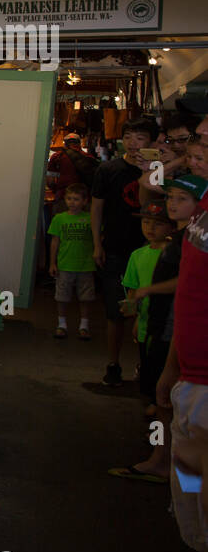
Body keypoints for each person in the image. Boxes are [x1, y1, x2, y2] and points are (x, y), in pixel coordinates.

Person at [110, 175, 207, 483]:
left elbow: (188, 283)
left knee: (165, 402)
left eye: (183, 199)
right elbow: (144, 181)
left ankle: (165, 463)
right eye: (171, 198)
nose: (173, 204)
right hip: (162, 326)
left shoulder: (189, 238)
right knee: (160, 400)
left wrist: (146, 291)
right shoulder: (180, 237)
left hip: (174, 330)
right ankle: (165, 460)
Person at [157, 171, 208, 552]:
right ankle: (196, 535)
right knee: (188, 460)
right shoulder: (197, 220)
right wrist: (173, 367)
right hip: (191, 378)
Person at [91, 117, 159, 387]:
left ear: (152, 142)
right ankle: (113, 363)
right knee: (115, 310)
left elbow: (151, 205)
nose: (133, 143)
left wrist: (150, 171)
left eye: (140, 138)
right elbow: (96, 208)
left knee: (150, 312)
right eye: (128, 136)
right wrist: (97, 243)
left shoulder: (158, 170)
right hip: (116, 247)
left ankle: (147, 367)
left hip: (149, 250)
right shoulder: (108, 169)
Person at [120, 200, 175, 403]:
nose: (150, 228)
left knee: (164, 363)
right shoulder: (137, 255)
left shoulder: (174, 254)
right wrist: (134, 314)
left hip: (167, 321)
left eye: (158, 223)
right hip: (145, 320)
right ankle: (152, 399)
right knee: (148, 360)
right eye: (146, 222)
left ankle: (159, 403)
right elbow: (133, 289)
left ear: (171, 226)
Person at [47, 183, 96, 339]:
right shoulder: (59, 219)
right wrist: (52, 263)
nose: (72, 202)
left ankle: (84, 325)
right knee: (62, 297)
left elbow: (97, 239)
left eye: (76, 199)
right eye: (69, 199)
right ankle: (61, 324)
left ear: (84, 201)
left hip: (86, 265)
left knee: (86, 297)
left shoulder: (91, 219)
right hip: (65, 264)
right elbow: (55, 241)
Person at [47, 134, 97, 205]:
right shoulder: (89, 157)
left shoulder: (56, 157)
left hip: (63, 196)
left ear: (65, 143)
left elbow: (50, 181)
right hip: (83, 199)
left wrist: (57, 190)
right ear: (79, 143)